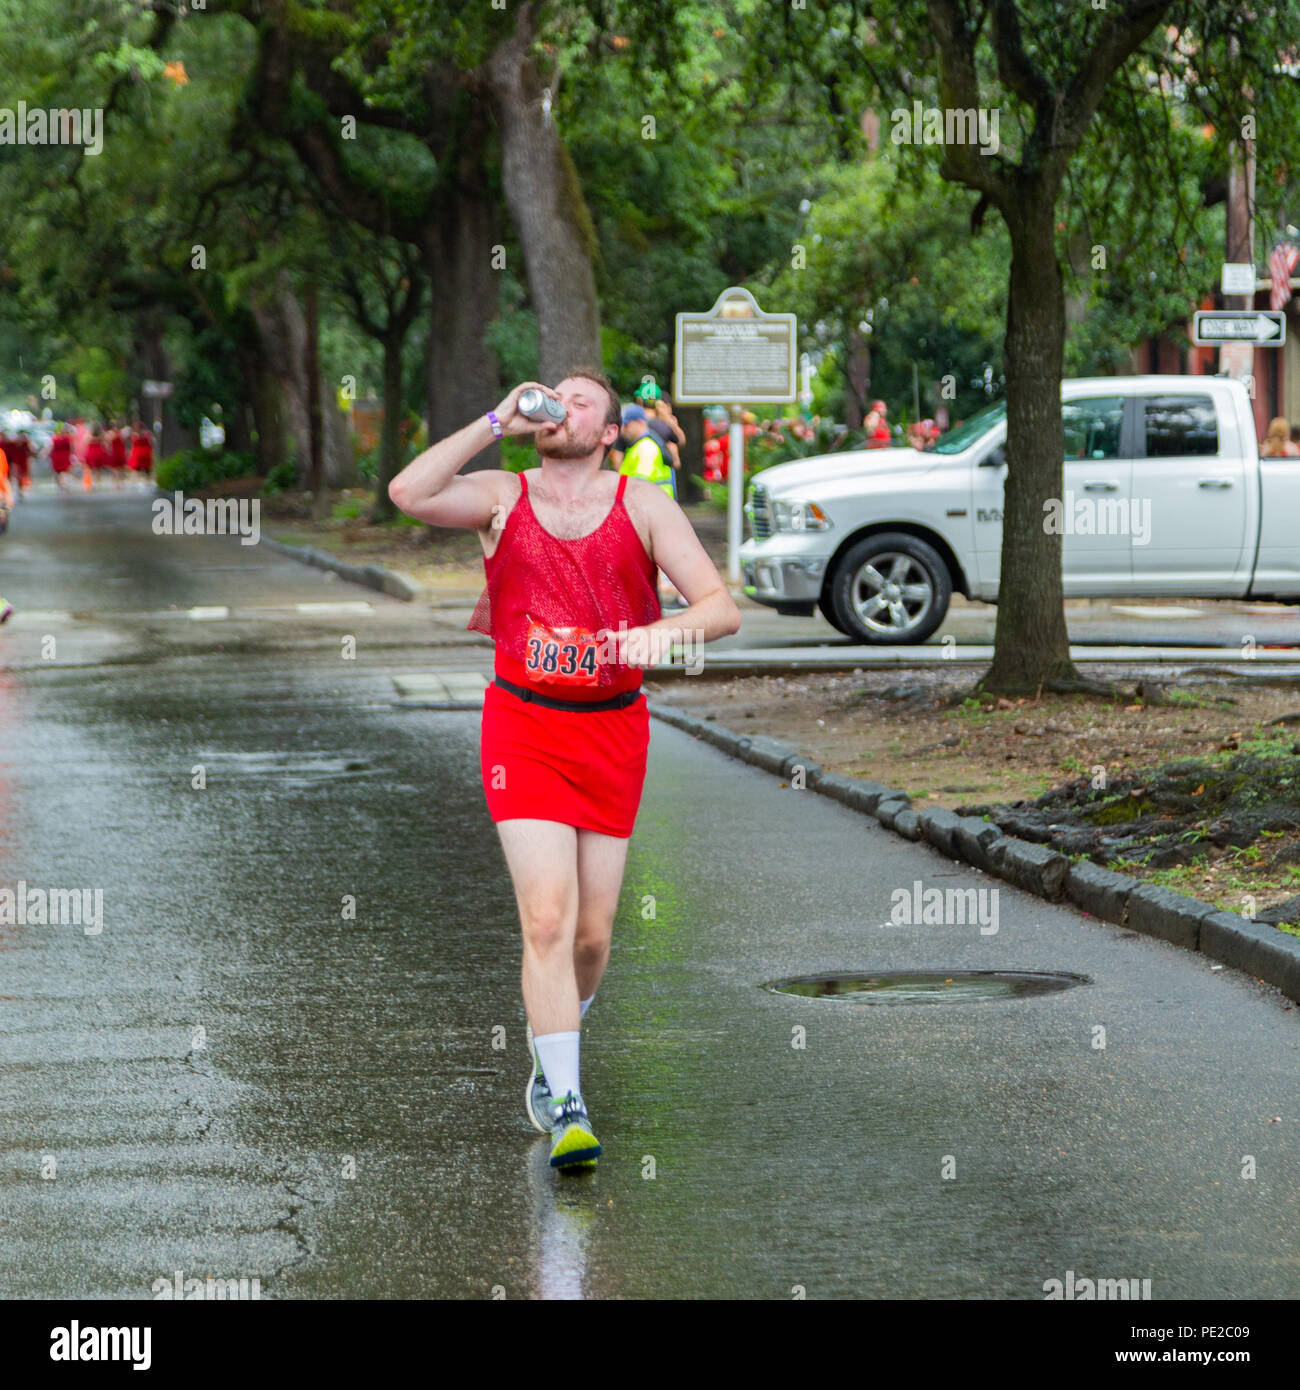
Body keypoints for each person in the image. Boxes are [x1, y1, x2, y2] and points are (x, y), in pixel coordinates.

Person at [386, 370, 741, 1171]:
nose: (560, 405)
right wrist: (491, 418)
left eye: (582, 401)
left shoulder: (641, 504)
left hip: (613, 732)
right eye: (553, 395)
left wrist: (668, 635)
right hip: (524, 725)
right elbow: (408, 490)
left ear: (610, 432)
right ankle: (568, 1103)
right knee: (546, 918)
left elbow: (720, 606)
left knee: (589, 936)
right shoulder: (501, 495)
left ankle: (558, 1030)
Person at [49, 422, 74, 489]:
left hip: (56, 456)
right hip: (65, 456)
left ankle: (60, 484)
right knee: (64, 471)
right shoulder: (68, 438)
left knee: (58, 471)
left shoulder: (54, 438)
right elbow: (72, 447)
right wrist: (72, 455)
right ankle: (64, 484)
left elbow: (51, 447)